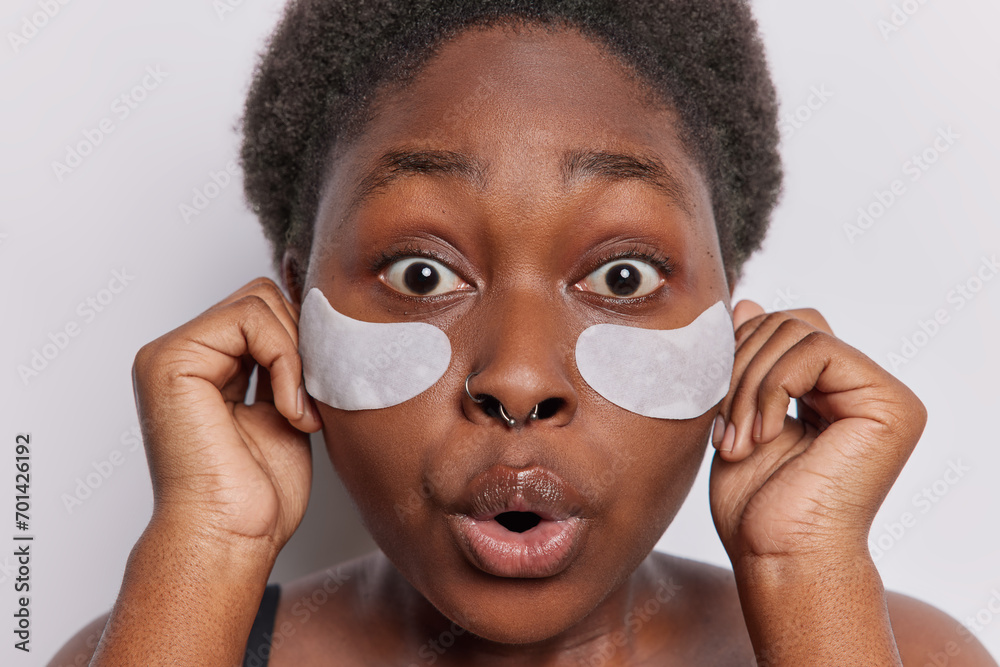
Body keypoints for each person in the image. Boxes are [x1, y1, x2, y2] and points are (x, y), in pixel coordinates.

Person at [49, 1, 998, 665]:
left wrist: (808, 585)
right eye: (422, 274)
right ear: (293, 319)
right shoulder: (154, 641)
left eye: (622, 276)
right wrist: (203, 550)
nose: (516, 375)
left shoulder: (906, 653)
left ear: (728, 324)